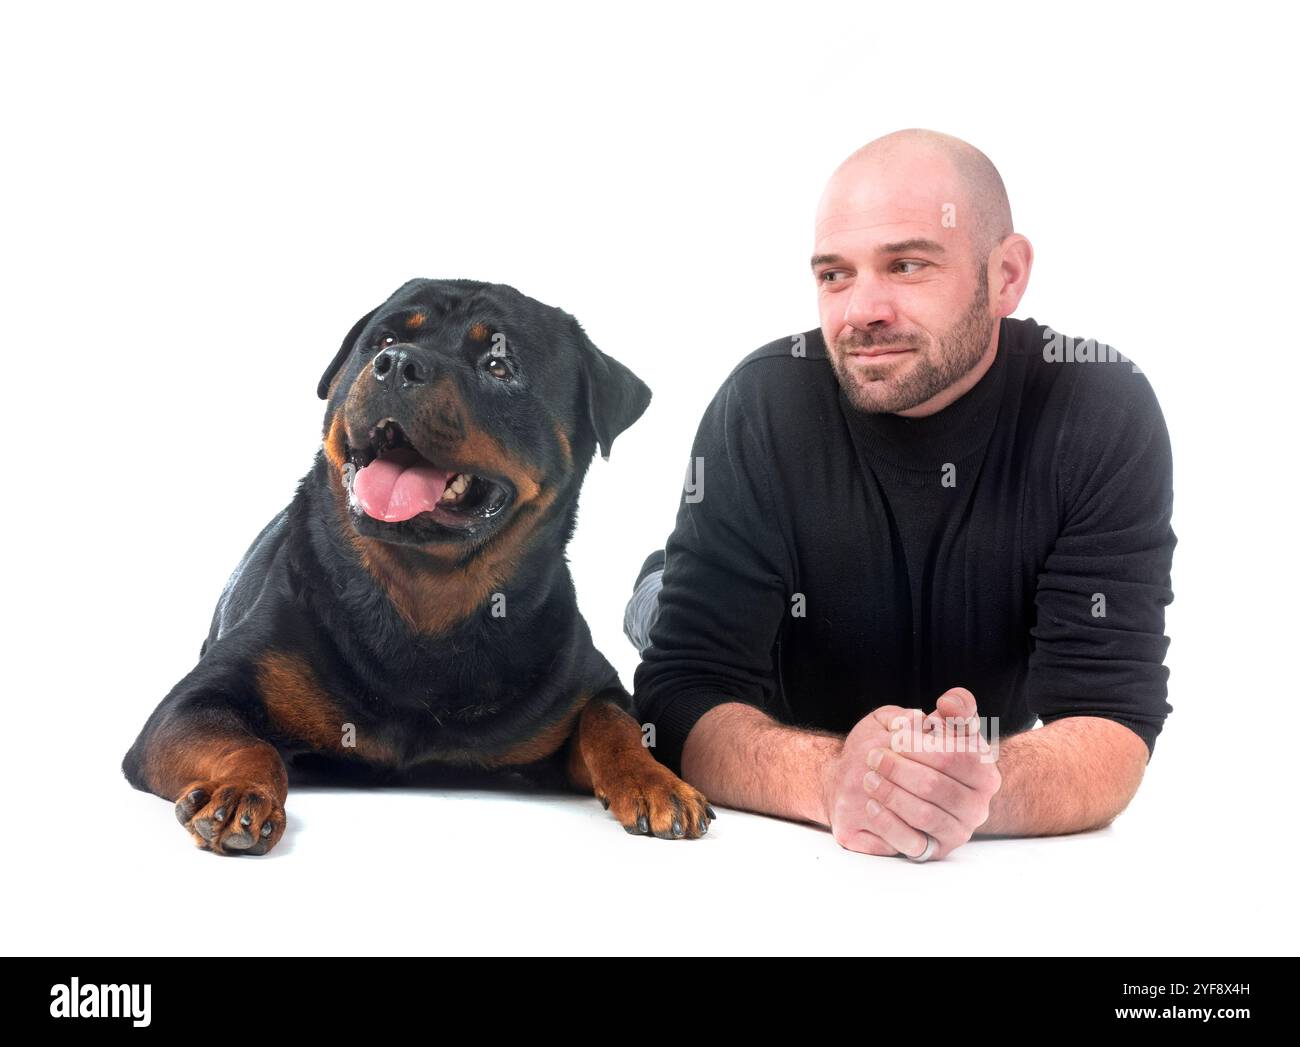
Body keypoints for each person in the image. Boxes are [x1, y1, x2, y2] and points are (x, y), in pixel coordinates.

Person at [626, 128, 1176, 862]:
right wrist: (829, 780)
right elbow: (679, 698)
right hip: (780, 678)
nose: (861, 311)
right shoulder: (762, 401)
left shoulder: (1102, 409)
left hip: (952, 716)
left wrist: (965, 782)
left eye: (907, 264)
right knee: (662, 613)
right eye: (834, 275)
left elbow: (1112, 721)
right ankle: (659, 584)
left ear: (1006, 274)